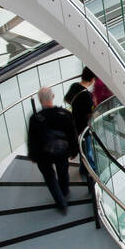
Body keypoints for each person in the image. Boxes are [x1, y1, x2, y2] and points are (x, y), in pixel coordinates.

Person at [27, 86, 77, 214]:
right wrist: (74, 151)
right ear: (53, 97)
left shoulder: (35, 118)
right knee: (63, 172)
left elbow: (32, 140)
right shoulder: (65, 114)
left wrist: (33, 156)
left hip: (43, 154)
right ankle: (64, 192)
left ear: (39, 100)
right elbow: (72, 135)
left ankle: (61, 203)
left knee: (49, 177)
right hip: (62, 151)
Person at [65, 67, 95, 176]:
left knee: (82, 148)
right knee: (88, 151)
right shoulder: (87, 95)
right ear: (92, 79)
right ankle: (91, 172)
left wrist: (77, 106)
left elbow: (67, 99)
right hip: (84, 127)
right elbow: (90, 114)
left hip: (75, 123)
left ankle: (83, 169)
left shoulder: (74, 86)